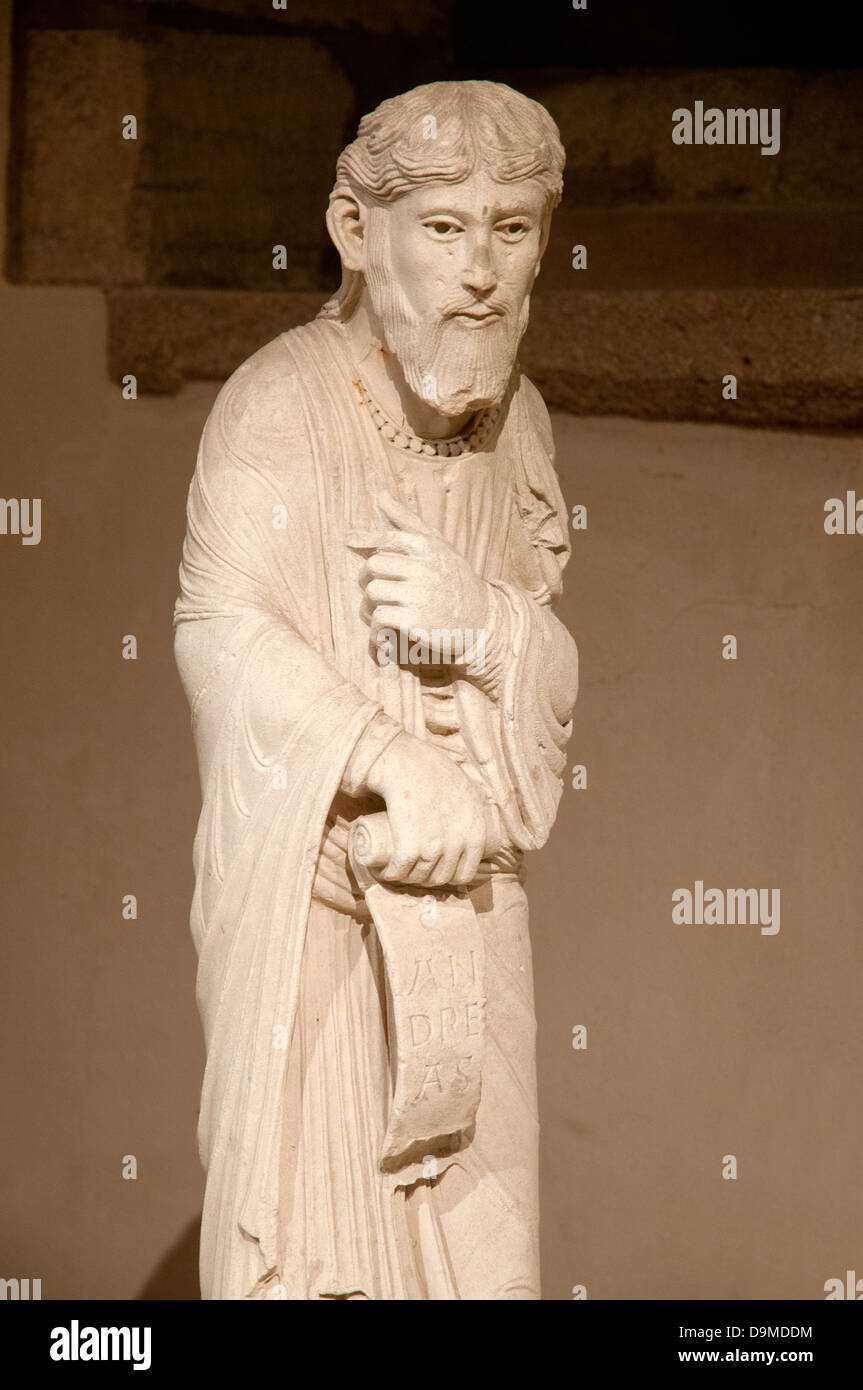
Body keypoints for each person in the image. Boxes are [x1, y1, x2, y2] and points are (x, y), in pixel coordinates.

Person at [174, 79, 578, 1300]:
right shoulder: (277, 405)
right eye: (445, 229)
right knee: (319, 1248)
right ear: (356, 232)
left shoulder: (520, 425)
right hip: (319, 904)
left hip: (468, 908)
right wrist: (386, 755)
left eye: (510, 232)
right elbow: (219, 628)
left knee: (485, 1253)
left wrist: (486, 625)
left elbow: (547, 656)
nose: (480, 274)